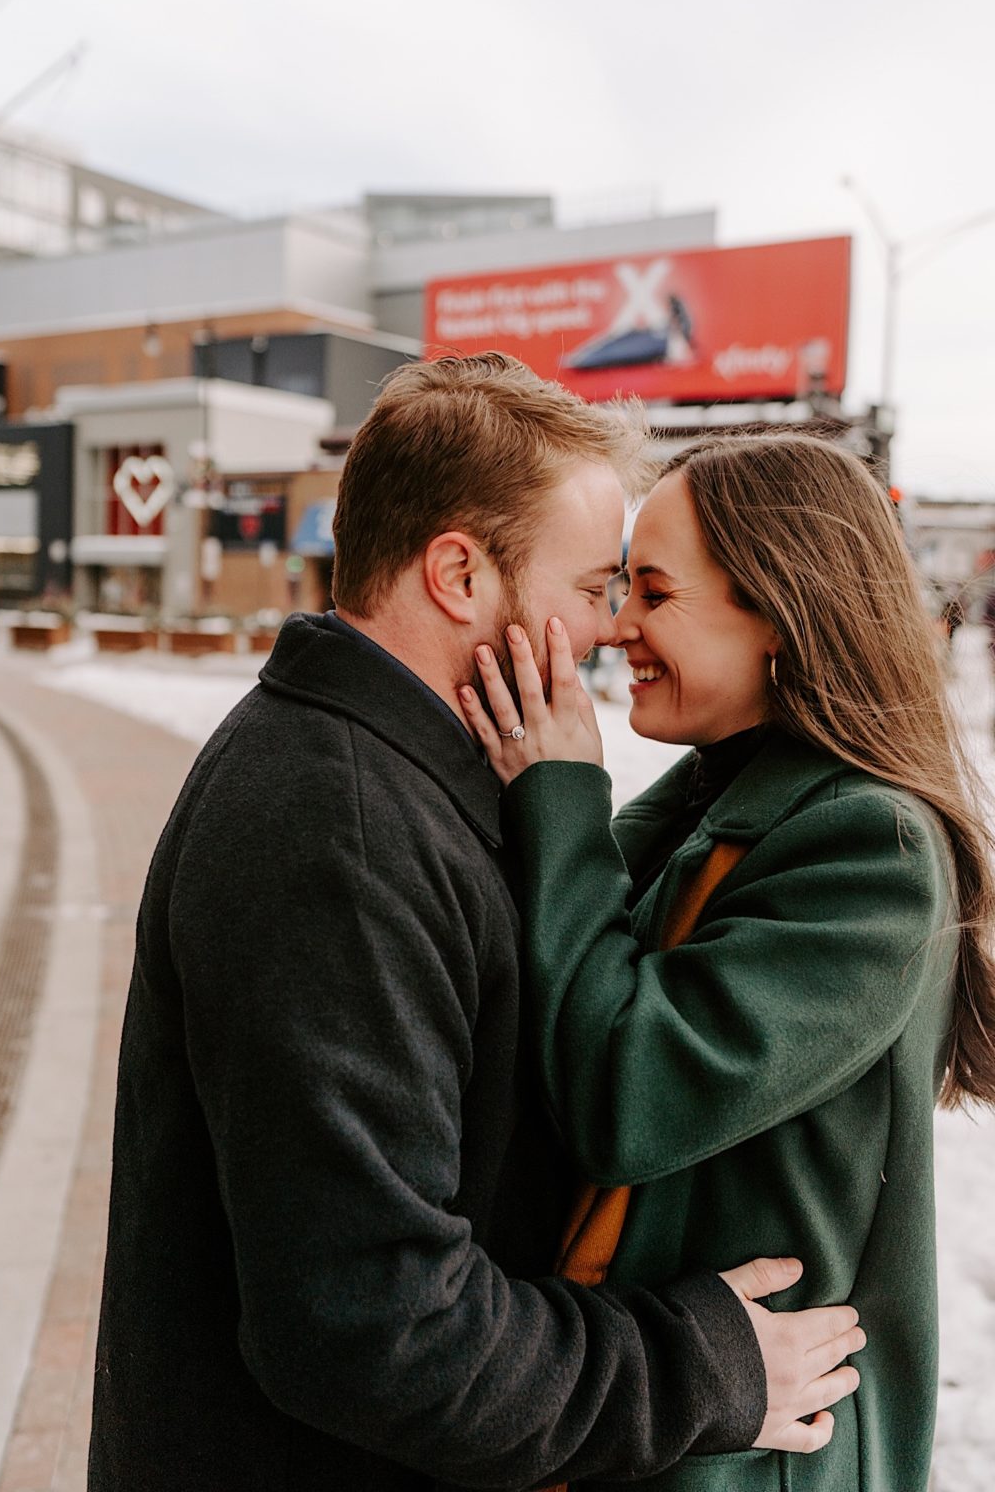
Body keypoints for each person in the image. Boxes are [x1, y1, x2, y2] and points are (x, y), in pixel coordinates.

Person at [89, 361, 865, 1491]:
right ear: (458, 572)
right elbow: (374, 1326)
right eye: (597, 583)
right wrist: (699, 1370)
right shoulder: (337, 832)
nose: (608, 629)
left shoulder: (404, 783)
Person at [465, 432, 995, 1492]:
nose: (616, 629)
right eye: (619, 586)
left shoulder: (870, 850)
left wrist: (560, 799)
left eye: (653, 593)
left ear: (777, 619)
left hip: (758, 1458)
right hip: (676, 1416)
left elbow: (626, 1091)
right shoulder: (717, 801)